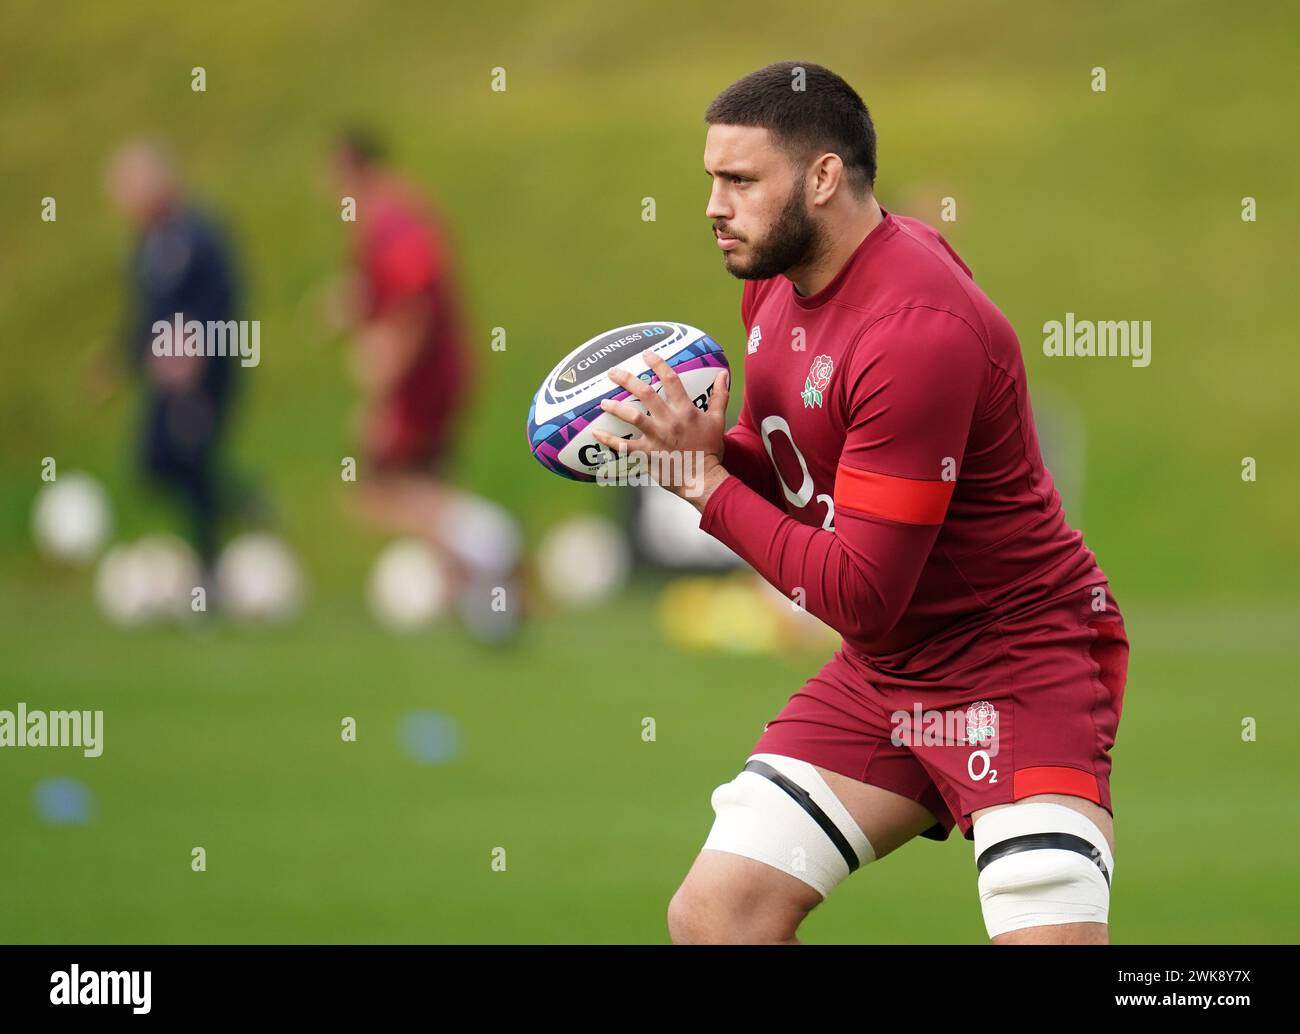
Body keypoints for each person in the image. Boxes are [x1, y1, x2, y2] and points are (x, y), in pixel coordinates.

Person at [591, 62, 1129, 944]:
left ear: (823, 177)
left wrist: (705, 486)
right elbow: (798, 475)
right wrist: (683, 448)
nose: (713, 205)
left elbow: (859, 591)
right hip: (890, 670)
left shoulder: (917, 330)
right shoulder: (775, 277)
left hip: (1016, 660)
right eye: (709, 180)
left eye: (739, 180)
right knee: (716, 919)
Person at [325, 129, 522, 640]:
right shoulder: (389, 215)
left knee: (372, 490)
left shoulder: (392, 216)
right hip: (440, 374)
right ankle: (478, 596)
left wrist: (383, 375)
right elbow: (391, 289)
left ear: (349, 170)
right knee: (425, 486)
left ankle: (492, 542)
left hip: (425, 381)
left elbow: (415, 301)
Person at [104, 138, 251, 575]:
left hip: (205, 376)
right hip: (165, 381)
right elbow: (147, 314)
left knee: (192, 458)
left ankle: (209, 571)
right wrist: (121, 362)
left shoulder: (199, 235)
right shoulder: (144, 247)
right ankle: (242, 502)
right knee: (154, 464)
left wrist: (200, 352)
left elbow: (226, 300)